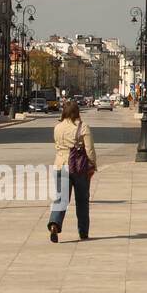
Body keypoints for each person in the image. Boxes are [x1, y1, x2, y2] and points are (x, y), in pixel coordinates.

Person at [47, 100, 97, 242]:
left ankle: (54, 224)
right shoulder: (83, 127)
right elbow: (90, 150)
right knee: (82, 200)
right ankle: (83, 231)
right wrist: (92, 166)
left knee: (61, 198)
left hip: (60, 166)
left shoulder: (57, 127)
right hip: (79, 167)